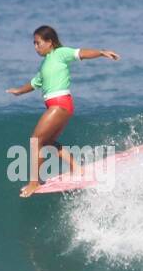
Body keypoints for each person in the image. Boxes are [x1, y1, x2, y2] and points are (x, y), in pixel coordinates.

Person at [7, 25, 120, 197]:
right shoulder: (45, 64)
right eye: (34, 43)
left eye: (38, 43)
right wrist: (19, 91)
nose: (35, 47)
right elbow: (34, 83)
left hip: (60, 104)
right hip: (59, 105)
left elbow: (81, 53)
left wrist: (101, 52)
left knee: (35, 141)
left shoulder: (60, 53)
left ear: (49, 42)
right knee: (47, 143)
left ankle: (33, 183)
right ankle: (77, 168)